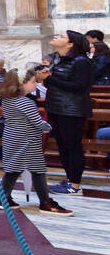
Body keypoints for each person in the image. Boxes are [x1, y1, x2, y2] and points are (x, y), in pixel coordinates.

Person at [0, 68, 71, 215]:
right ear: (21, 84)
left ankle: (3, 198)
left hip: (11, 137)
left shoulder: (7, 100)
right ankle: (45, 202)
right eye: (33, 81)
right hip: (27, 140)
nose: (36, 84)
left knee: (13, 169)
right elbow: (38, 122)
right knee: (38, 170)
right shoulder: (25, 102)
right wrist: (48, 127)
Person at [42, 30, 93, 196]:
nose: (56, 36)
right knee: (63, 147)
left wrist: (49, 79)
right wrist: (47, 77)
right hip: (56, 107)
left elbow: (79, 87)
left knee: (73, 147)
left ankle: (75, 185)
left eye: (62, 36)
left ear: (71, 44)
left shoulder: (81, 62)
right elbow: (58, 85)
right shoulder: (59, 59)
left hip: (72, 110)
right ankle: (70, 180)